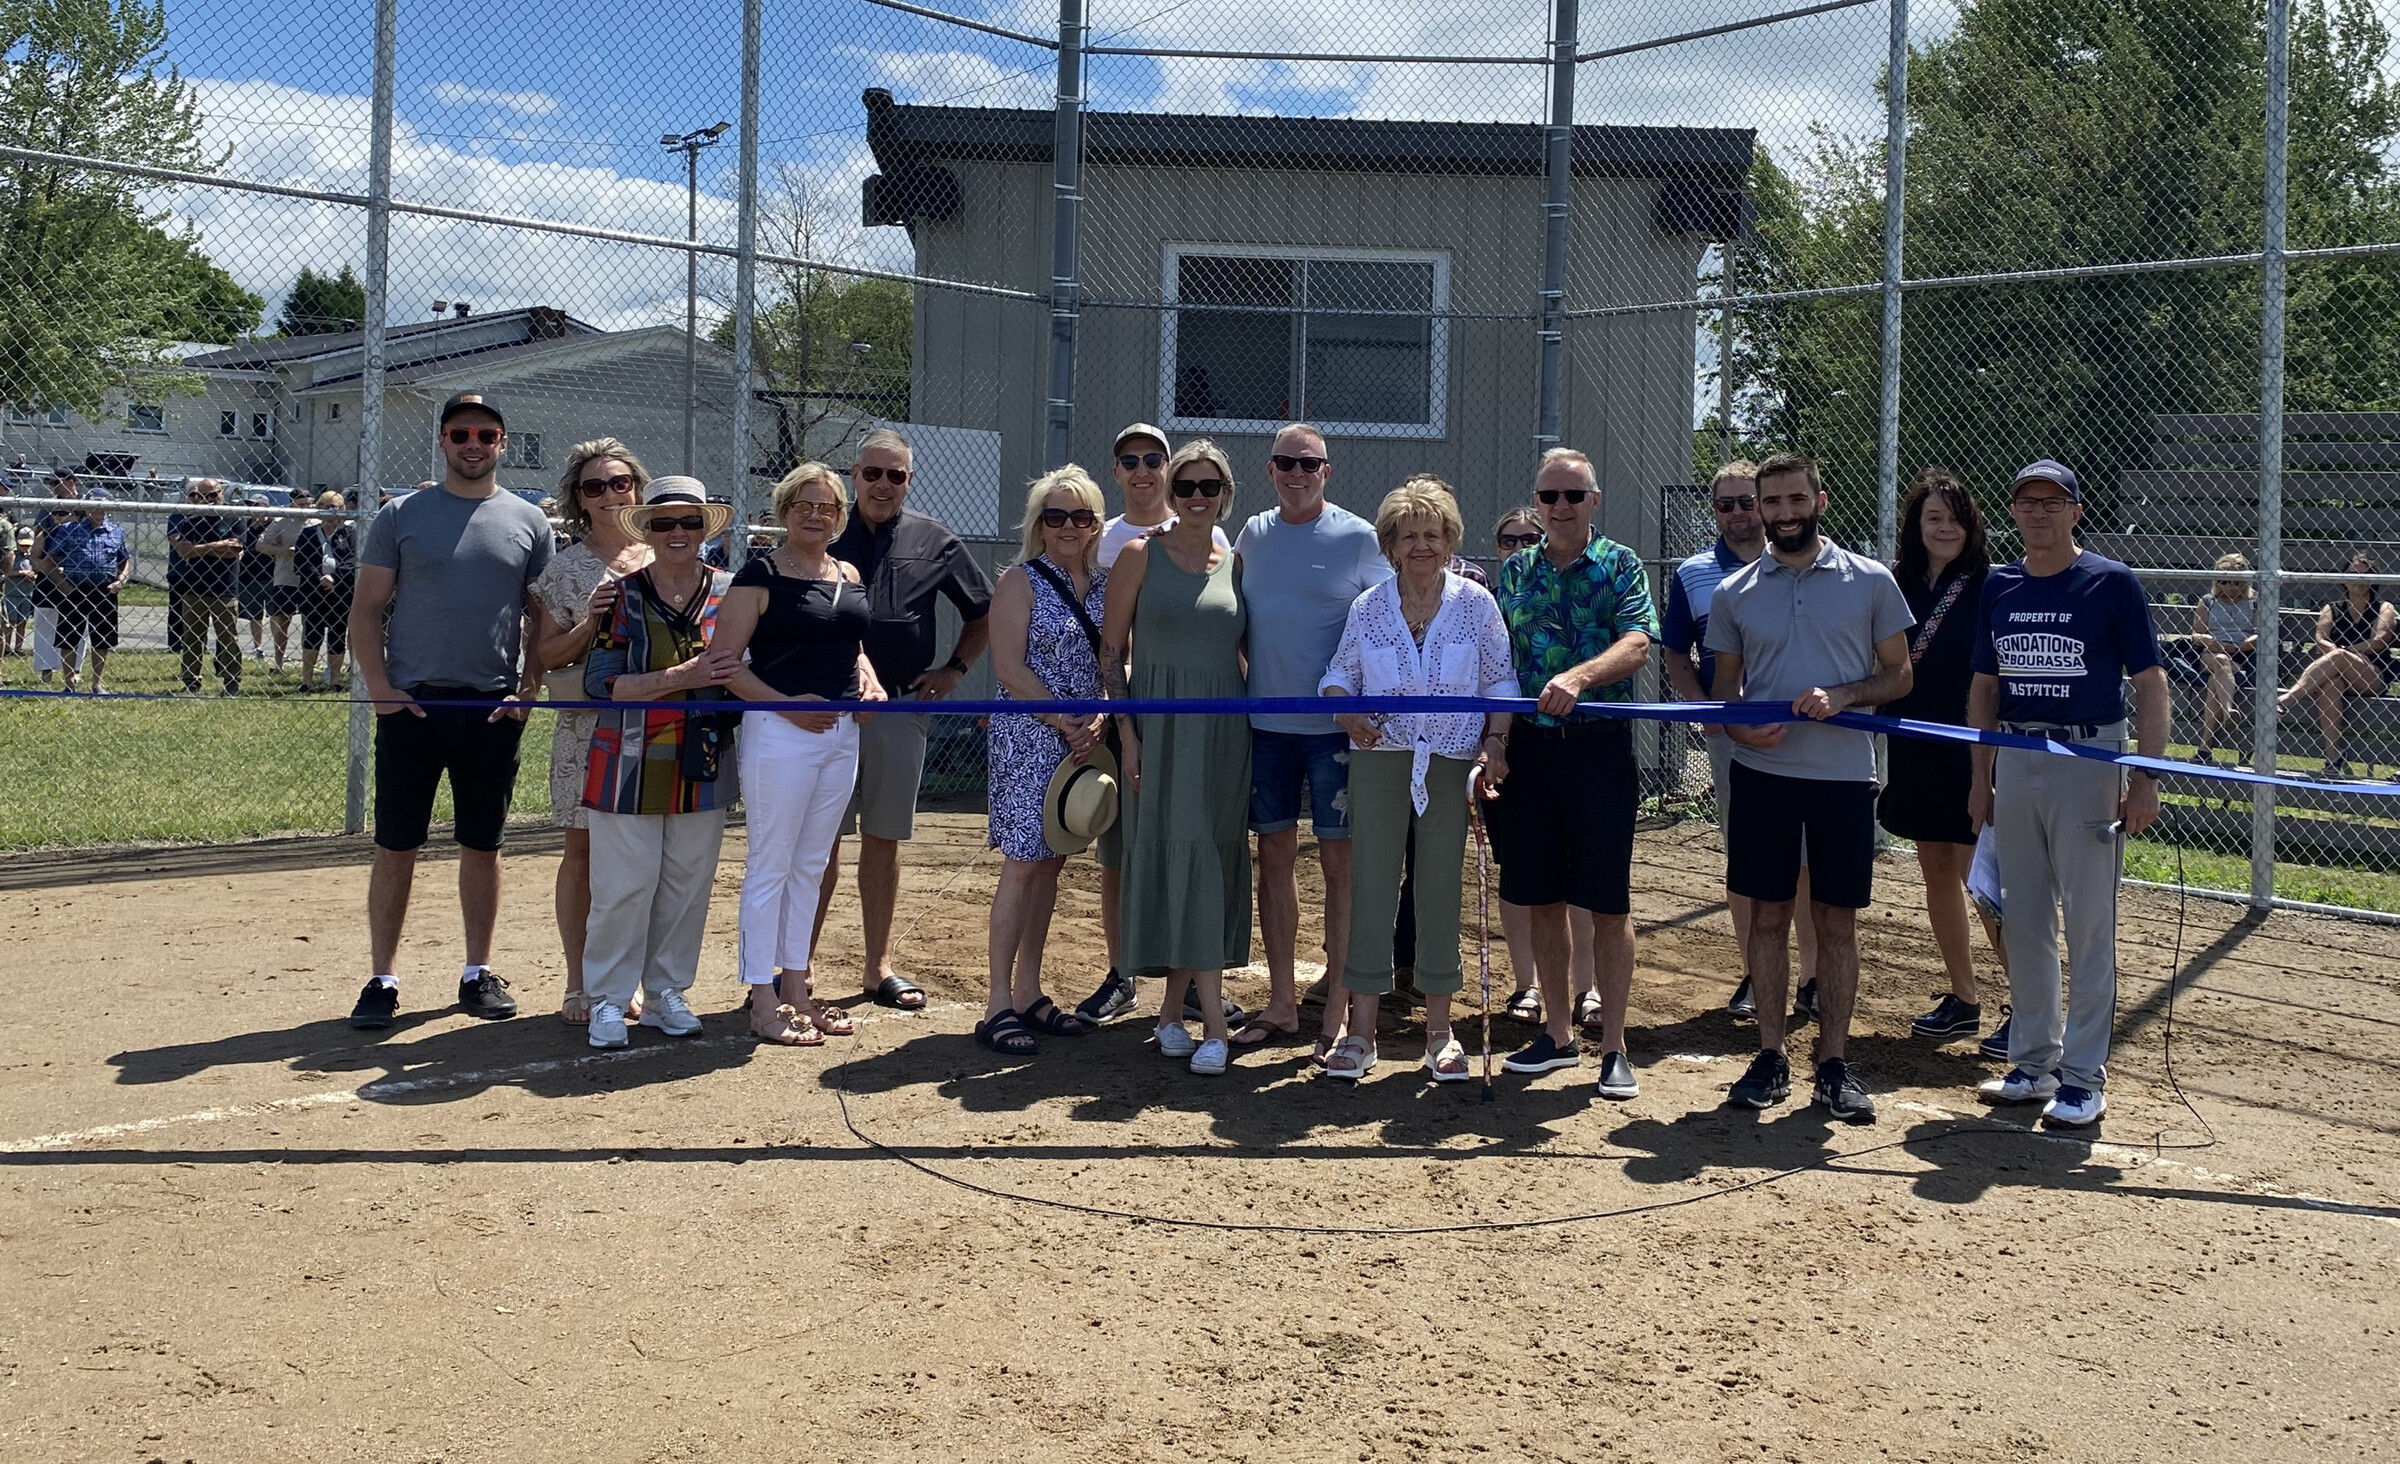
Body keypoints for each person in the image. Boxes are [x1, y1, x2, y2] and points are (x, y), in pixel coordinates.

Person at [1709, 450, 1914, 1122]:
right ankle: (1771, 1056)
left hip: (1844, 778)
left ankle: (1833, 1063)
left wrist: (1846, 696)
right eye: (1772, 503)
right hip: (1763, 777)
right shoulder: (1733, 593)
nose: (1784, 514)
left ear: (1820, 502)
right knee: (1766, 921)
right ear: (1759, 509)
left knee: (1835, 924)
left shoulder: (1871, 580)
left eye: (1797, 500)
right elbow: (1725, 691)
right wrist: (1740, 731)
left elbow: (1898, 676)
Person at [1968, 459, 2167, 1128]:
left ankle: (2083, 1076)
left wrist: (2145, 776)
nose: (2038, 513)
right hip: (2018, 758)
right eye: (2027, 502)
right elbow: (1985, 689)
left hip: (2090, 753)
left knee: (2087, 923)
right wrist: (1980, 778)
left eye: (2052, 501)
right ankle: (2032, 1061)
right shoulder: (1999, 584)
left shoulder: (2110, 582)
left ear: (2075, 510)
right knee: (2021, 918)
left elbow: (2152, 685)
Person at [346, 392, 554, 1031]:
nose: (473, 444)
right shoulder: (401, 514)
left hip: (490, 708)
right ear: (442, 441)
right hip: (412, 706)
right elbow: (366, 609)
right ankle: (381, 978)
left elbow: (540, 617)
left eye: (486, 435)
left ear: (502, 444)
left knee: (482, 844)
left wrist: (528, 687)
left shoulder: (528, 521)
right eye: (461, 433)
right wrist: (380, 687)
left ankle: (475, 972)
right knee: (397, 844)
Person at [1317, 477, 1517, 1081]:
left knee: (1438, 890)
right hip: (1381, 758)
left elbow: (1500, 680)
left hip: (1454, 760)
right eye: (1411, 536)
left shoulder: (1476, 604)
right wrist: (1342, 707)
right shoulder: (1369, 607)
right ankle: (1362, 1033)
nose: (1422, 546)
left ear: (1450, 540)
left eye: (1433, 534)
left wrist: (1496, 744)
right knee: (1372, 886)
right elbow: (1339, 675)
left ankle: (1439, 1032)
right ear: (1392, 545)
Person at [1488, 448, 1657, 1099]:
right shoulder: (1517, 572)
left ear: (1595, 500)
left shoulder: (1619, 564)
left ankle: (1613, 1046)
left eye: (1572, 496)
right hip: (1530, 753)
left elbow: (1639, 641)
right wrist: (1494, 742)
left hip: (1599, 751)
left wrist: (1580, 677)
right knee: (1541, 900)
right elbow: (1498, 663)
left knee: (1608, 905)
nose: (1559, 508)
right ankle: (1558, 1037)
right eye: (1549, 497)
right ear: (1537, 502)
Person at [813, 427, 993, 1013]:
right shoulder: (823, 532)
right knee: (820, 845)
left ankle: (876, 967)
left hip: (899, 708)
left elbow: (983, 611)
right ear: (853, 475)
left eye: (895, 475)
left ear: (909, 481)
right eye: (872, 473)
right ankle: (799, 968)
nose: (883, 484)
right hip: (824, 713)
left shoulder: (934, 537)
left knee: (883, 843)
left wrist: (955, 670)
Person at [1229, 423, 1392, 1050]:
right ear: (1269, 470)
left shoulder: (1357, 538)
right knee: (1272, 860)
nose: (1296, 473)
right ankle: (1281, 1005)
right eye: (1284, 462)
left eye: (1309, 463)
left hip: (1335, 734)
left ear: (1327, 471)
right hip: (1266, 728)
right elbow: (1243, 624)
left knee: (1339, 864)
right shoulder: (1253, 535)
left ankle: (1342, 1005)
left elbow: (1383, 623)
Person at [716, 462, 887, 1047]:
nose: (816, 516)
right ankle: (761, 998)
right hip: (780, 732)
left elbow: (850, 642)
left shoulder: (847, 571)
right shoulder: (758, 575)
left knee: (811, 865)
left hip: (842, 733)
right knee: (772, 863)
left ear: (840, 516)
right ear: (785, 511)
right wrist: (785, 706)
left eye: (828, 507)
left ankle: (796, 991)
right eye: (804, 506)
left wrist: (870, 682)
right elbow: (725, 664)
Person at [1074, 421, 1230, 1026]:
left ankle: (1189, 983)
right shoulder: (1105, 543)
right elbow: (1105, 646)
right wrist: (1122, 723)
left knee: (1201, 845)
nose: (1143, 470)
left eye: (1153, 459)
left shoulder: (1224, 549)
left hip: (1205, 721)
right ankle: (1124, 971)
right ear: (1116, 472)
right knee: (1126, 852)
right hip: (1130, 714)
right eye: (1129, 459)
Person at [1104, 439, 1251, 1075]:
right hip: (1158, 729)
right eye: (1185, 485)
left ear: (1225, 494)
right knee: (1174, 852)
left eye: (1208, 487)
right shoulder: (1139, 555)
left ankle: (1171, 1013)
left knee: (1208, 855)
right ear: (1171, 491)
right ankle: (1212, 1022)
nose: (1196, 496)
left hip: (1223, 731)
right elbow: (1110, 655)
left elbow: (1243, 650)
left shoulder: (1235, 561)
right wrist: (1129, 736)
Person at [1660, 461, 1824, 1023]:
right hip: (1735, 735)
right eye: (1724, 505)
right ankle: (1756, 973)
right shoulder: (1695, 574)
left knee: (1805, 860)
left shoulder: (1809, 564)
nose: (1737, 514)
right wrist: (1704, 709)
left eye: (1746, 502)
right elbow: (1676, 654)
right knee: (1749, 857)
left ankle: (1813, 976)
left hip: (1806, 729)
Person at [578, 481, 739, 1050]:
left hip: (704, 755)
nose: (677, 533)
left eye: (689, 523)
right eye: (664, 523)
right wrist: (681, 679)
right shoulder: (620, 594)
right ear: (645, 530)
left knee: (687, 884)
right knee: (624, 886)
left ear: (706, 529)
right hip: (627, 758)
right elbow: (601, 683)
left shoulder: (732, 592)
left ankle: (668, 990)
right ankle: (607, 999)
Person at [978, 466, 1114, 1056]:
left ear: (1095, 524)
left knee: (1052, 864)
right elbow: (1009, 669)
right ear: (1039, 523)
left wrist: (1101, 716)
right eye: (1055, 515)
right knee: (1023, 864)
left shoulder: (1109, 586)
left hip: (1083, 738)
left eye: (1080, 516)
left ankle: (1029, 991)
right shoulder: (1019, 581)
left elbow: (1116, 664)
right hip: (1031, 736)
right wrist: (1064, 719)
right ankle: (996, 1004)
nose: (1067, 526)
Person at [1878, 468, 2008, 1044]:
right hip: (1913, 741)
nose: (1945, 528)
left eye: (1955, 519)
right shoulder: (1894, 580)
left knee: (1979, 876)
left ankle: (2029, 1003)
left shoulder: (1991, 584)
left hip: (1971, 746)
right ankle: (1964, 995)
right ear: (1916, 524)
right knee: (1934, 867)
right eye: (1934, 517)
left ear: (1971, 525)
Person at [526, 439, 653, 1024]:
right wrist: (593, 619)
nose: (609, 495)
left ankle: (635, 979)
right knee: (582, 852)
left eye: (620, 483)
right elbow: (547, 654)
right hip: (587, 724)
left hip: (658, 724)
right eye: (594, 486)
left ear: (637, 488)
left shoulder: (666, 551)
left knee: (647, 859)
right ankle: (580, 981)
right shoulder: (566, 566)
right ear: (578, 498)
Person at [1481, 507, 1597, 1026]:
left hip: (1583, 746)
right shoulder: (1498, 592)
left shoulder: (1599, 571)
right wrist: (1494, 741)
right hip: (1516, 747)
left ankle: (1586, 989)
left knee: (1580, 875)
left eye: (1529, 537)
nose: (1521, 546)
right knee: (1519, 874)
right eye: (1509, 540)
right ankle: (1525, 985)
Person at [2276, 551, 2394, 779]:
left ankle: (2286, 699)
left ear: (2373, 578)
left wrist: (2346, 654)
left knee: (2338, 658)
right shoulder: (2332, 608)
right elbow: (2320, 639)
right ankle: (2332, 757)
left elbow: (2380, 640)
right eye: (2352, 573)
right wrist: (2339, 657)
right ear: (2342, 577)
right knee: (2330, 686)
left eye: (2364, 574)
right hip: (2337, 673)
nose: (2357, 579)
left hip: (2372, 674)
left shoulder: (2384, 607)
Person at [37, 487, 129, 694]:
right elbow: (50, 562)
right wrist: (65, 587)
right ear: (86, 508)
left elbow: (124, 561)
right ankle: (69, 682)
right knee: (69, 636)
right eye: (94, 506)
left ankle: (97, 683)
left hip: (105, 589)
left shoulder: (116, 532)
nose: (98, 511)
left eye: (102, 507)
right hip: (75, 588)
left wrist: (120, 581)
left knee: (102, 637)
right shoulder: (69, 530)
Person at [166, 477, 245, 696]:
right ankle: (191, 682)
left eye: (213, 495)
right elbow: (185, 551)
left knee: (228, 637)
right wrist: (217, 546)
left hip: (225, 589)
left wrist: (200, 548)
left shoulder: (233, 517)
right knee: (192, 637)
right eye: (202, 496)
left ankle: (231, 681)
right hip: (194, 589)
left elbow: (235, 549)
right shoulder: (191, 521)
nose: (209, 500)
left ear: (221, 493)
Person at [2190, 552, 2257, 766]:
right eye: (2224, 581)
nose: (2230, 587)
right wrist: (2207, 639)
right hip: (2211, 653)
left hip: (2242, 654)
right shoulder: (2208, 601)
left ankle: (2204, 748)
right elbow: (2196, 634)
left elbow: (2263, 632)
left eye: (2236, 582)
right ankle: (2228, 710)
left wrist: (2242, 645)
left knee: (2215, 681)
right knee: (2220, 660)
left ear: (2245, 581)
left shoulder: (2255, 601)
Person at [294, 491, 356, 689]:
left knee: (337, 635)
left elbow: (353, 560)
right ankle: (307, 682)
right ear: (320, 509)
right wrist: (319, 578)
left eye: (337, 507)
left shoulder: (350, 534)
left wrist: (334, 578)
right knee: (312, 634)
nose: (333, 510)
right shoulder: (308, 534)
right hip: (313, 593)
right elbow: (301, 561)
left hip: (340, 593)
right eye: (328, 506)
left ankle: (335, 681)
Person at [29, 471, 79, 686]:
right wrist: (37, 561)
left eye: (57, 484)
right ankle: (46, 669)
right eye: (51, 484)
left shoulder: (86, 504)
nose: (53, 488)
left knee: (77, 622)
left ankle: (75, 669)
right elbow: (39, 534)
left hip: (76, 571)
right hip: (49, 573)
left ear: (70, 483)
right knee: (45, 620)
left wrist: (71, 519)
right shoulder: (48, 506)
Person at [259, 492, 315, 673]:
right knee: (283, 619)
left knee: (311, 621)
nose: (306, 508)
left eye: (309, 504)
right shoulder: (281, 522)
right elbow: (260, 545)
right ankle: (278, 662)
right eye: (301, 504)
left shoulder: (316, 521)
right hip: (286, 577)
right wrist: (282, 550)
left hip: (310, 579)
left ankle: (309, 665)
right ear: (292, 504)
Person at [237, 499, 275, 662]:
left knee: (276, 614)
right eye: (251, 507)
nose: (255, 510)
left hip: (271, 575)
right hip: (249, 576)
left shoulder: (274, 525)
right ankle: (257, 647)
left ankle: (278, 648)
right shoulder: (244, 526)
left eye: (258, 507)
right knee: (255, 614)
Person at [3, 527, 33, 663]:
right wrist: (21, 573)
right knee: (9, 623)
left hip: (27, 593)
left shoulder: (32, 556)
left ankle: (18, 648)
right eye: (22, 544)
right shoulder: (13, 555)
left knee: (22, 622)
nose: (25, 547)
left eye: (27, 545)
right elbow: (7, 573)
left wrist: (33, 575)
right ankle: (7, 648)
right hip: (11, 593)